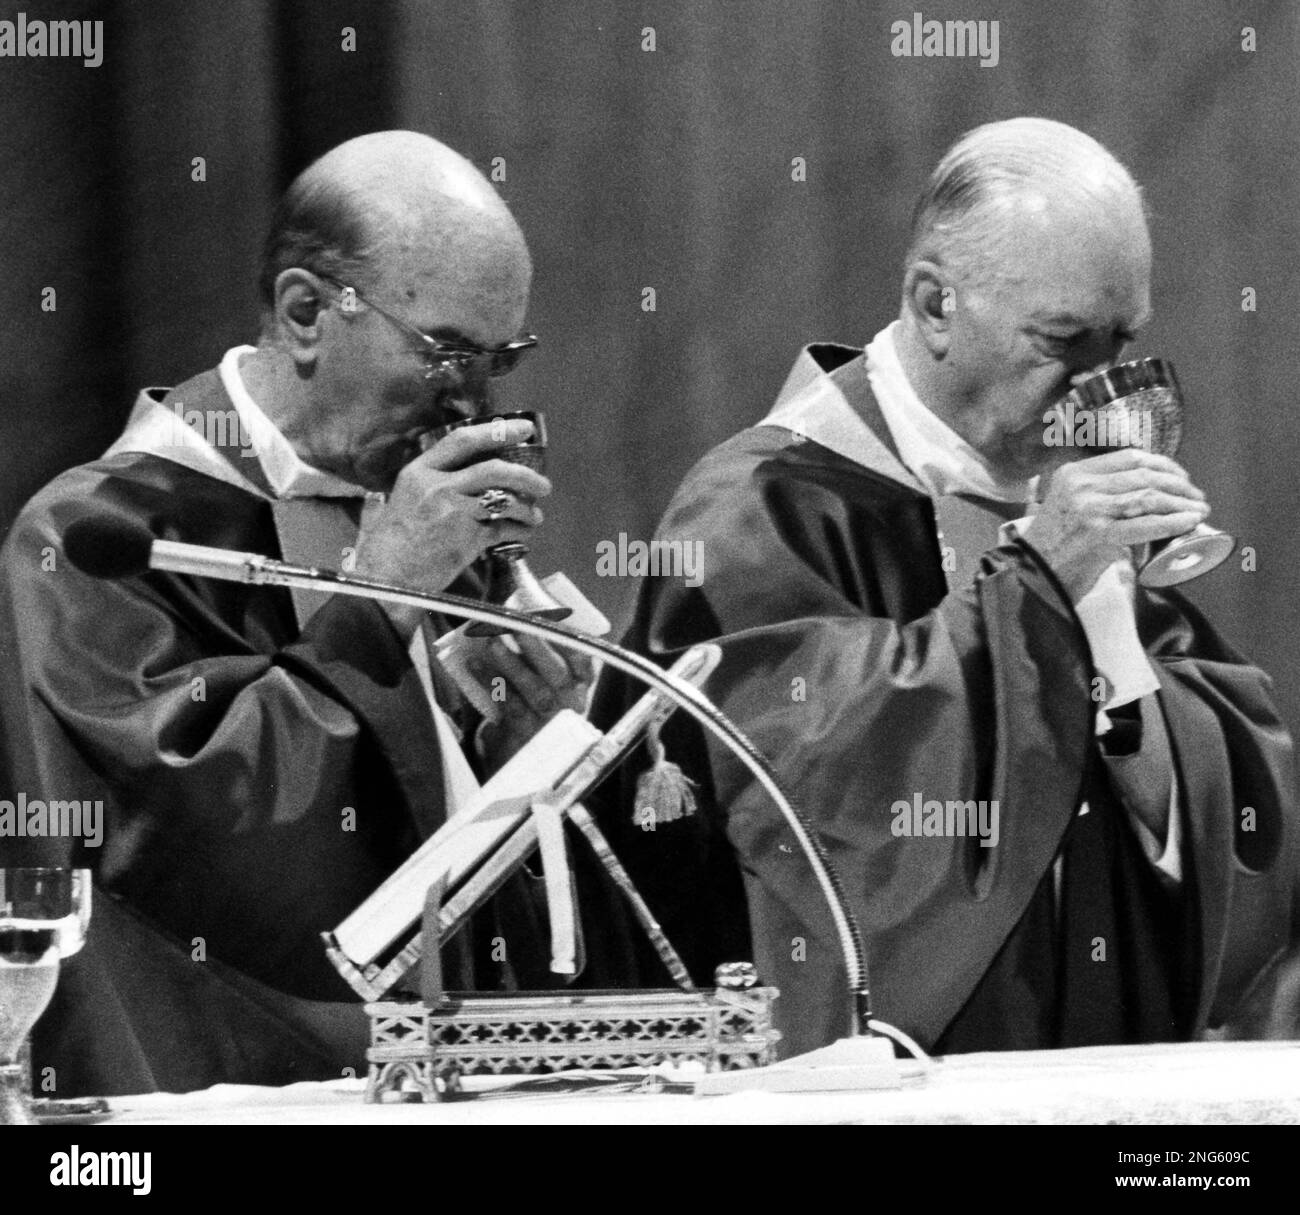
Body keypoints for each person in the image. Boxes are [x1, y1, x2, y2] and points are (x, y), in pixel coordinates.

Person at [587, 117, 1298, 1058]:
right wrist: (1039, 586)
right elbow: (818, 805)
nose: (1100, 387)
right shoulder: (764, 508)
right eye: (1063, 341)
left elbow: (1228, 802)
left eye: (1121, 341)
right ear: (933, 304)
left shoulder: (1067, 492)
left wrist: (1117, 651)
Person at [0, 131, 592, 1095]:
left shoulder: (419, 516)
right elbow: (194, 837)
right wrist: (378, 599)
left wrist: (516, 751)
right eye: (446, 353)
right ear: (307, 312)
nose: (476, 404)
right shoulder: (99, 536)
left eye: (501, 359)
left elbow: (437, 867)